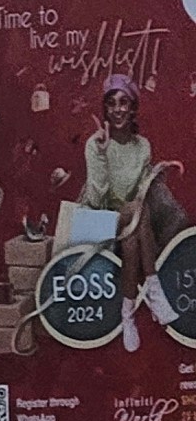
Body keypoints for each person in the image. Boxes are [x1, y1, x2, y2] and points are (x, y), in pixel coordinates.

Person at [53, 73, 191, 293]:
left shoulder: (142, 146)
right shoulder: (94, 143)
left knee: (138, 222)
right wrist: (100, 153)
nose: (117, 109)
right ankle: (154, 290)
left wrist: (154, 175)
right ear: (105, 109)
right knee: (137, 212)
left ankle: (132, 308)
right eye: (111, 103)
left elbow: (139, 194)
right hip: (98, 221)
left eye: (123, 102)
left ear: (133, 107)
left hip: (130, 226)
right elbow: (97, 201)